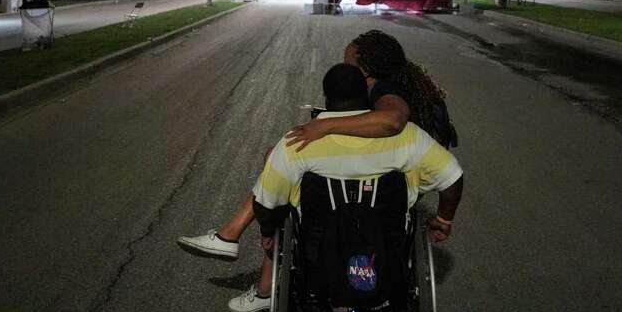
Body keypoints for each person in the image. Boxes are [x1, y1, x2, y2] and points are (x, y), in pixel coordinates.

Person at [177, 30, 451, 259]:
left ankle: (238, 239)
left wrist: (325, 124)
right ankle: (249, 258)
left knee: (287, 163)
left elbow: (392, 120)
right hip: (398, 171)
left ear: (365, 69)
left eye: (347, 62)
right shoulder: (386, 85)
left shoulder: (384, 90)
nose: (343, 67)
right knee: (284, 157)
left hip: (389, 174)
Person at [228, 62, 463, 312]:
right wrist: (443, 219)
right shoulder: (409, 137)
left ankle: (266, 290)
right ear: (367, 97)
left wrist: (267, 232)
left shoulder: (297, 141)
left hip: (318, 254)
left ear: (327, 99)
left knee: (285, 202)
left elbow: (267, 202)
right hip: (386, 252)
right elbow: (453, 178)